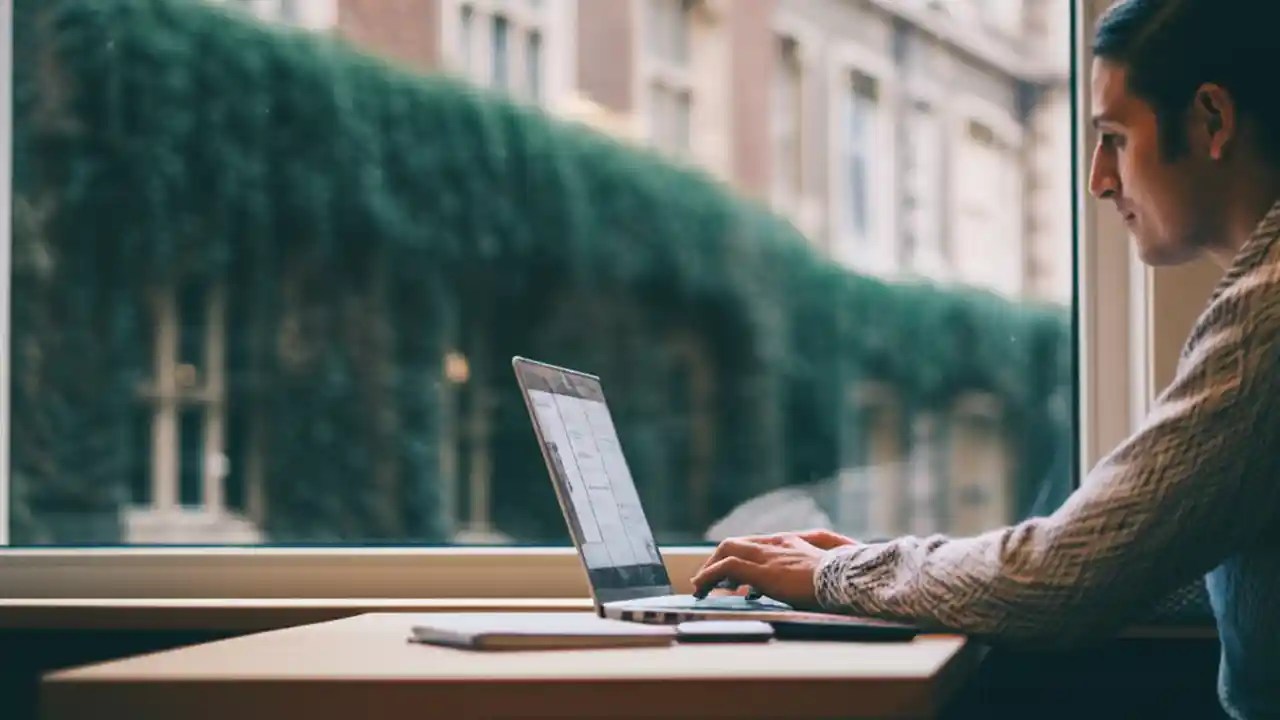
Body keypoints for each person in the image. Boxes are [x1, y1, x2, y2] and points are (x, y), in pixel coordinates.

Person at [691, 1, 1280, 717]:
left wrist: (838, 574)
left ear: (1211, 121)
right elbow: (1148, 555)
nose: (1098, 179)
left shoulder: (1265, 317)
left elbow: (1067, 572)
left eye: (1115, 138)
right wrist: (896, 572)